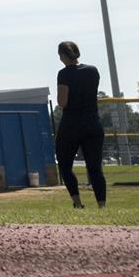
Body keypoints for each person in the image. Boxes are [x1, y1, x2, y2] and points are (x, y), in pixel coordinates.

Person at [54, 39, 106, 209]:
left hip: (72, 124)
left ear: (63, 55)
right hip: (93, 123)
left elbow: (63, 102)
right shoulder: (92, 71)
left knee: (65, 164)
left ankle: (77, 202)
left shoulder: (64, 74)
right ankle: (101, 205)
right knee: (95, 168)